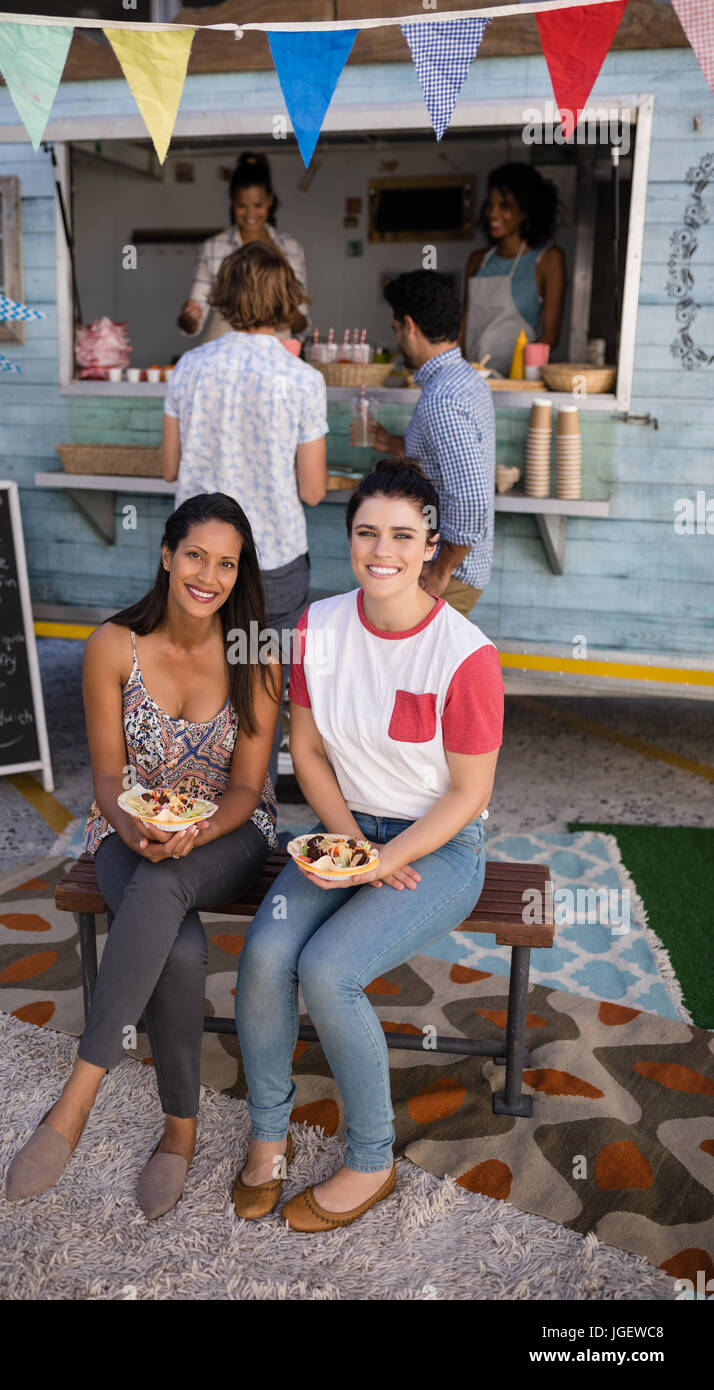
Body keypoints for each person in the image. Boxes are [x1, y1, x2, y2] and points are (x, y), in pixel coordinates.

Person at [232, 458, 504, 1232]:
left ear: (429, 547)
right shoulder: (318, 627)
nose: (381, 550)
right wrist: (352, 846)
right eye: (365, 532)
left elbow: (467, 794)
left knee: (328, 970)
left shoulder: (465, 655)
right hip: (343, 828)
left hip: (441, 849)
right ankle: (267, 1136)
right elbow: (308, 754)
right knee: (264, 954)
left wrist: (388, 861)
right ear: (348, 537)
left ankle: (372, 1157)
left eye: (401, 535)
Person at [4, 494, 281, 1219]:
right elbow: (105, 776)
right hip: (128, 829)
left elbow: (249, 788)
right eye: (196, 555)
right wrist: (138, 829)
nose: (209, 575)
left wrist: (196, 833)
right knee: (181, 950)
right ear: (166, 555)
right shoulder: (112, 646)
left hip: (229, 836)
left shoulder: (256, 656)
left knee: (164, 894)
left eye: (227, 563)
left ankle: (74, 1102)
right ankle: (179, 1134)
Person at [163, 240, 328, 784]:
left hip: (197, 558)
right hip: (273, 557)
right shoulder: (302, 380)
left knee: (203, 664)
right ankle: (254, 795)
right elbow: (312, 489)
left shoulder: (188, 367)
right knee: (263, 675)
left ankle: (197, 781)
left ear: (223, 298)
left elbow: (169, 468)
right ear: (285, 301)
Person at [368, 270, 494, 617]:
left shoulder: (442, 397)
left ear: (409, 326)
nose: (397, 340)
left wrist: (440, 570)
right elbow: (444, 465)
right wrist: (394, 443)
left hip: (448, 572)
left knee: (417, 670)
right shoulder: (465, 378)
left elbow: (469, 498)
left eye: (395, 330)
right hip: (459, 567)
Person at [177, 150, 310, 344]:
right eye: (242, 206)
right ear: (232, 202)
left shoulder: (291, 248)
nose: (250, 214)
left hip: (275, 349)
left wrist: (288, 313)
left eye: (258, 205)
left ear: (270, 200)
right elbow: (193, 322)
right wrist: (190, 316)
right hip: (223, 349)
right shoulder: (214, 248)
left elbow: (302, 324)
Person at [461, 162, 566, 377]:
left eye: (504, 205)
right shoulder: (478, 260)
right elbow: (463, 324)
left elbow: (550, 337)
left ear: (526, 210)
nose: (493, 213)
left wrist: (520, 376)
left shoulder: (548, 260)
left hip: (516, 380)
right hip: (472, 375)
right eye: (490, 205)